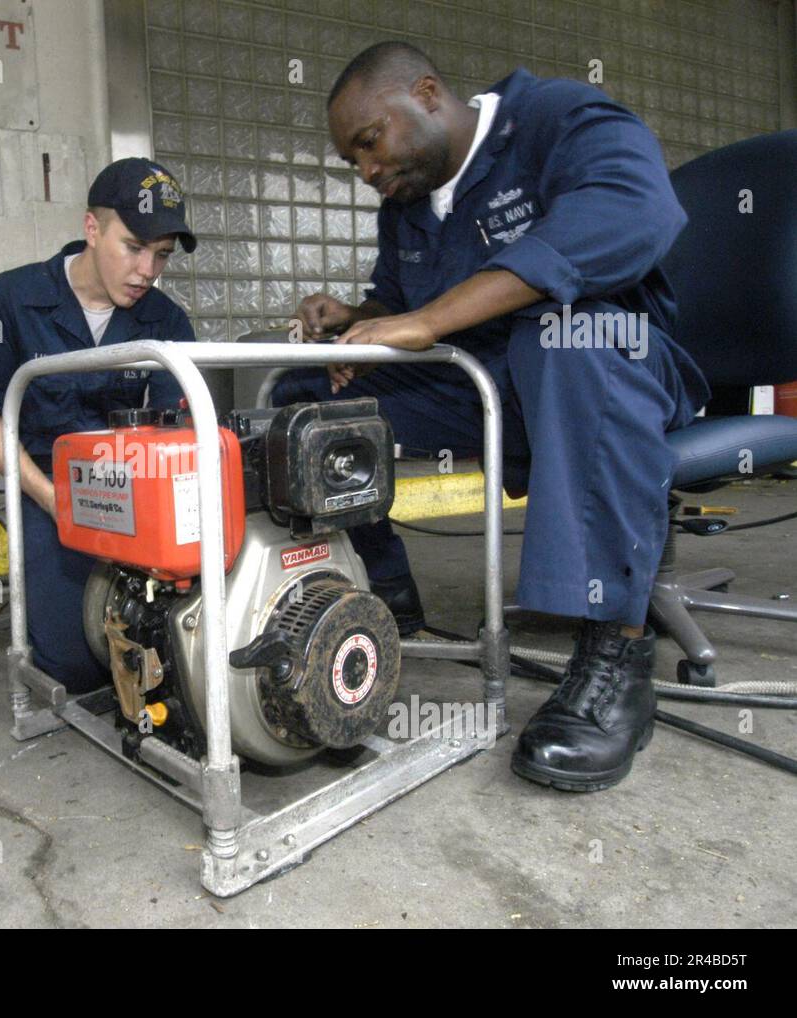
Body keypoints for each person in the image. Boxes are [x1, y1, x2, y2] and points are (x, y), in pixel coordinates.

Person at [276, 41, 710, 791]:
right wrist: (361, 319)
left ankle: (617, 660)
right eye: (355, 163)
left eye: (371, 144)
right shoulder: (408, 206)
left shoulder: (557, 117)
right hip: (487, 385)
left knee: (560, 339)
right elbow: (402, 305)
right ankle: (377, 598)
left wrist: (434, 319)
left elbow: (637, 212)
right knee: (303, 397)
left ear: (428, 92)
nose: (369, 172)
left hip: (614, 366)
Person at [0, 158, 197, 693]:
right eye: (133, 247)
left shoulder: (167, 321)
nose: (147, 271)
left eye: (161, 256)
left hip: (132, 491)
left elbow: (178, 431)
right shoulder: (9, 301)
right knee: (76, 668)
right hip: (48, 491)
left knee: (176, 646)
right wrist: (48, 497)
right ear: (92, 228)